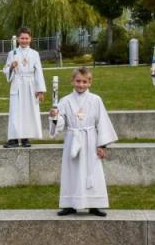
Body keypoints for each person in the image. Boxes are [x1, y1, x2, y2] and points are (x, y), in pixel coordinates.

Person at [48, 67, 118, 217]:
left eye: (84, 82)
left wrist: (101, 145)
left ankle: (95, 204)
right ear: (72, 81)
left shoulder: (96, 100)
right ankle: (70, 204)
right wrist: (54, 116)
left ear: (89, 83)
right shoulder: (65, 101)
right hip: (73, 139)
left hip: (91, 140)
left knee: (92, 172)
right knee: (71, 172)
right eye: (78, 81)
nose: (81, 84)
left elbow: (102, 123)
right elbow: (60, 123)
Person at [3, 27, 46, 148]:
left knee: (28, 111)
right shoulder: (12, 53)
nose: (24, 40)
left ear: (30, 39)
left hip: (30, 85)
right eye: (22, 38)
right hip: (17, 83)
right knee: (15, 112)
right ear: (17, 39)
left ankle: (25, 138)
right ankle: (13, 139)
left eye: (26, 38)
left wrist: (40, 90)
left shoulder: (34, 54)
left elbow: (39, 72)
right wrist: (11, 67)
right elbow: (6, 69)